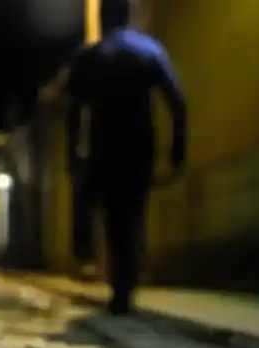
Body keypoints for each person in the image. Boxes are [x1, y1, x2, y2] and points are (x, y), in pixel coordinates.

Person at [67, 0, 187, 314]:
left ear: (102, 18)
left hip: (103, 147)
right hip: (139, 147)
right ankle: (125, 285)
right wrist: (177, 151)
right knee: (134, 215)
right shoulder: (149, 51)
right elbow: (177, 101)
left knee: (111, 217)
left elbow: (74, 111)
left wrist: (73, 155)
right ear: (128, 16)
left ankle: (112, 279)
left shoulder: (89, 58)